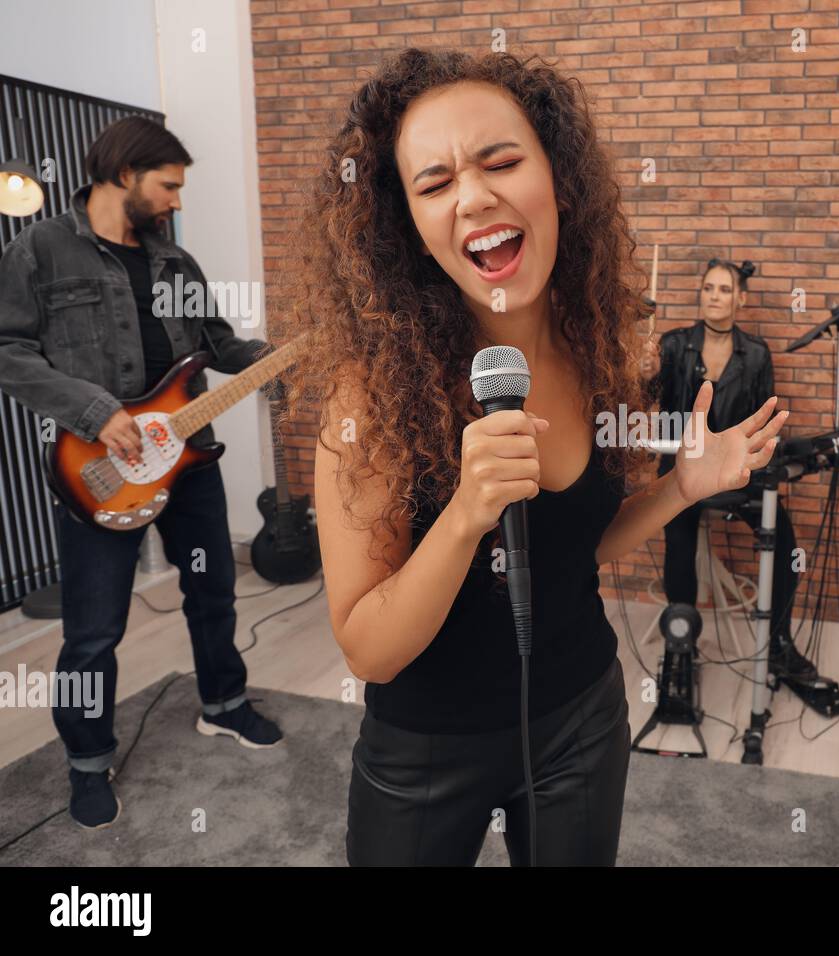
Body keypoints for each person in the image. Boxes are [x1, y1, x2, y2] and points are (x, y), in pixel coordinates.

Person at [276, 49, 787, 866]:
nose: (474, 197)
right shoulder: (369, 394)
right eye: (434, 183)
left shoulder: (593, 348)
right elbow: (370, 649)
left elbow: (567, 547)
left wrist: (680, 489)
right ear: (404, 222)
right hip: (426, 751)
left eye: (501, 162)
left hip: (582, 718)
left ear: (558, 180)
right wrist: (465, 517)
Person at [0, 116, 282, 831]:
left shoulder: (174, 264)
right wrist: (96, 412)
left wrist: (273, 360)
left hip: (188, 460)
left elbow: (214, 341)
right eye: (168, 186)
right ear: (123, 174)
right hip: (98, 466)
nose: (176, 201)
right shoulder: (38, 251)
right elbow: (7, 351)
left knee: (214, 592)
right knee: (93, 631)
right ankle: (88, 763)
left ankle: (223, 704)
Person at [641, 258, 814, 678]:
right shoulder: (672, 344)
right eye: (708, 288)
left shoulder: (755, 354)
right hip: (682, 472)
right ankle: (681, 649)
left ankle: (777, 643)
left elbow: (761, 422)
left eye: (722, 289)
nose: (714, 297)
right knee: (679, 544)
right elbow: (649, 405)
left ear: (741, 298)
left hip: (736, 476)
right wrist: (645, 375)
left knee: (786, 546)